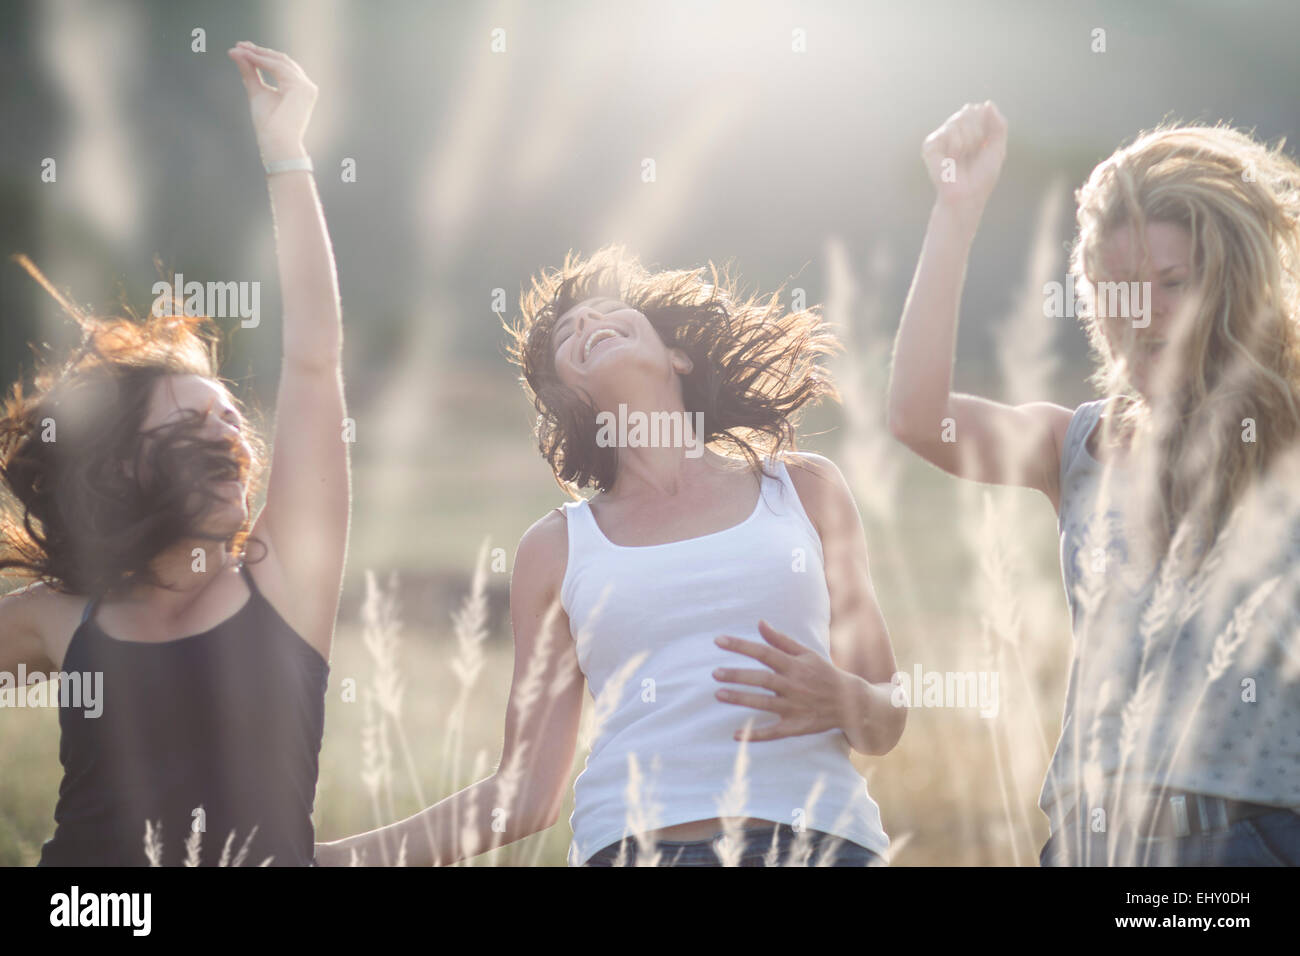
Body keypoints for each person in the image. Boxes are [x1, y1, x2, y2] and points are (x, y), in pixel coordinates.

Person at [317, 244, 903, 866]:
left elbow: (887, 718)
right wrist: (330, 859)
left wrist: (843, 698)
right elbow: (525, 794)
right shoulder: (558, 547)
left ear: (677, 356)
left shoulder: (804, 488)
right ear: (569, 399)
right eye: (567, 334)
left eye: (609, 311)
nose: (588, 322)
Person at [888, 101, 1300, 865]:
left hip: (1248, 837)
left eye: (1172, 282)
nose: (1143, 312)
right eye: (1119, 287)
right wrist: (956, 211)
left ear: (1230, 286)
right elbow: (918, 417)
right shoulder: (1074, 446)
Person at [0, 41, 348, 866]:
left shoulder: (281, 581)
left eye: (233, 422)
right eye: (194, 425)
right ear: (123, 463)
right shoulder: (62, 616)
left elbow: (313, 358)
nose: (231, 435)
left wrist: (287, 153)